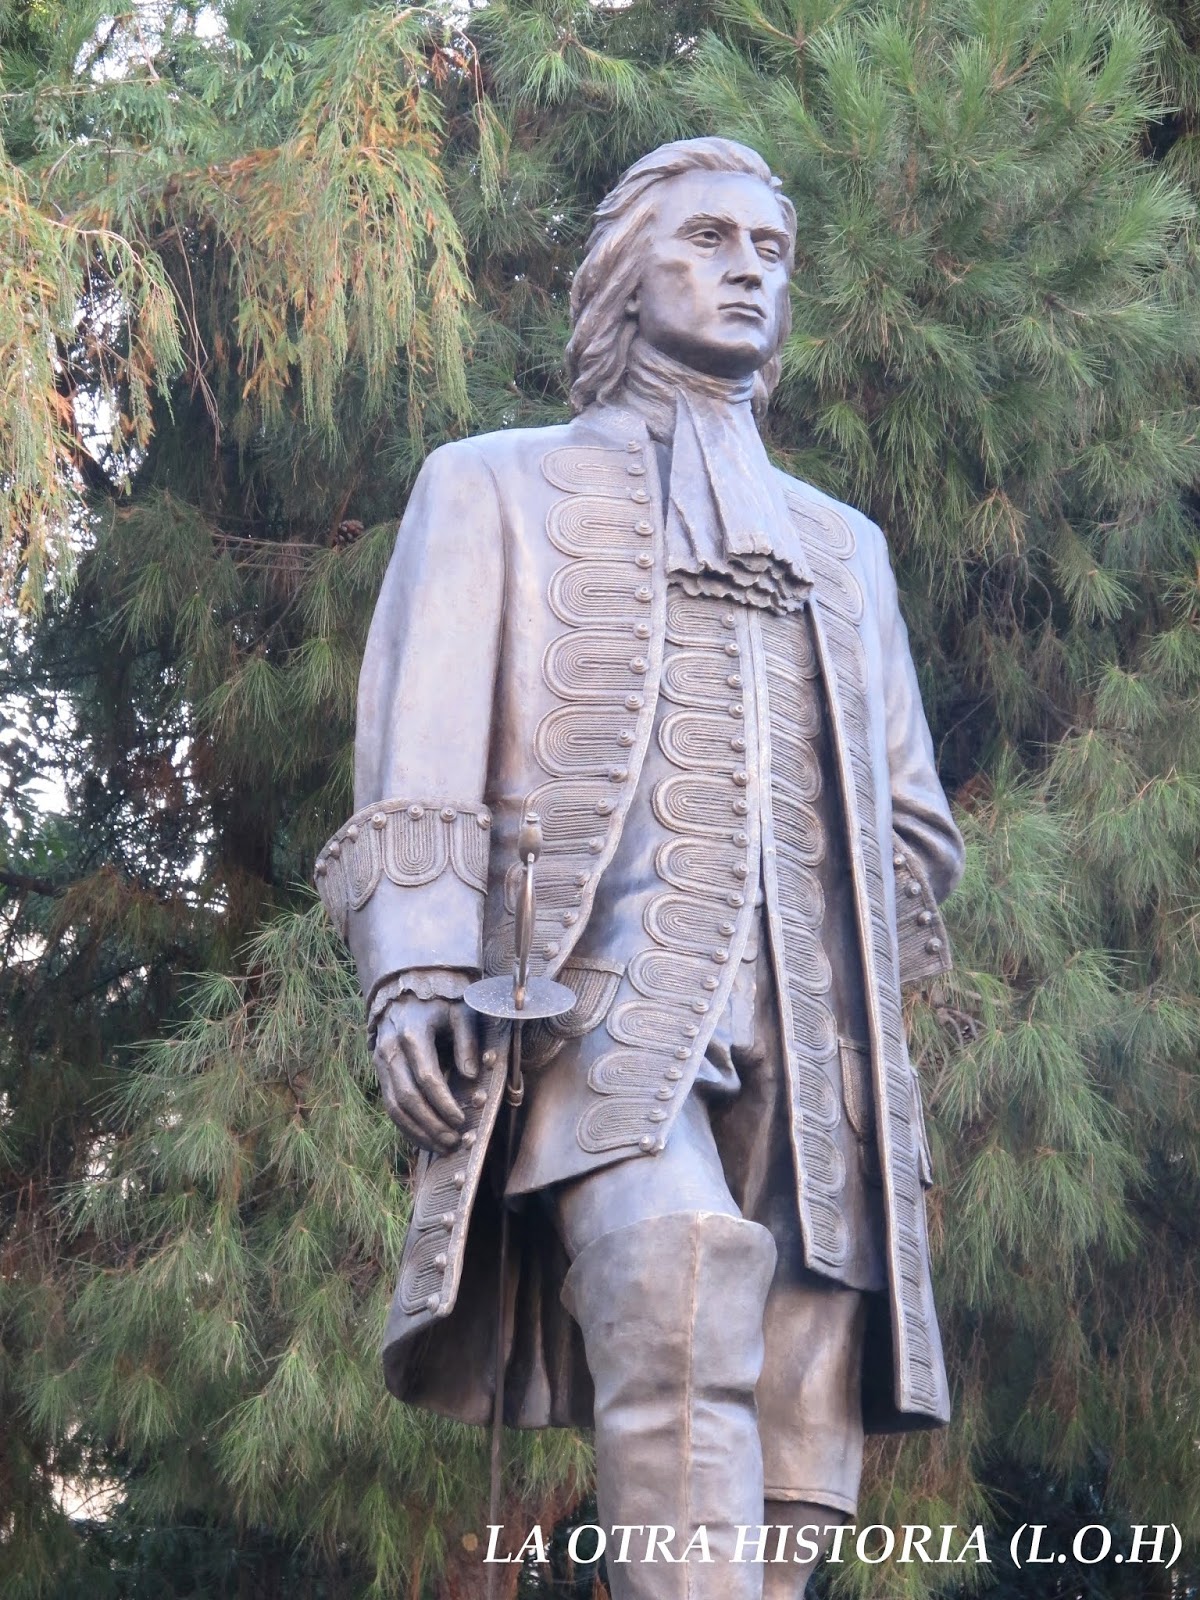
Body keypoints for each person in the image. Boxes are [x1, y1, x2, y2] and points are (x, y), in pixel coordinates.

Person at [315, 137, 964, 1599]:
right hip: (599, 1019)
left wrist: (874, 944)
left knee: (800, 1443)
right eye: (710, 241)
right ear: (627, 272)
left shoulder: (844, 552)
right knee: (675, 1287)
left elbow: (914, 817)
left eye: (771, 252)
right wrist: (416, 961)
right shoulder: (493, 488)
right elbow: (420, 747)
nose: (747, 270)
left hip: (817, 1053)